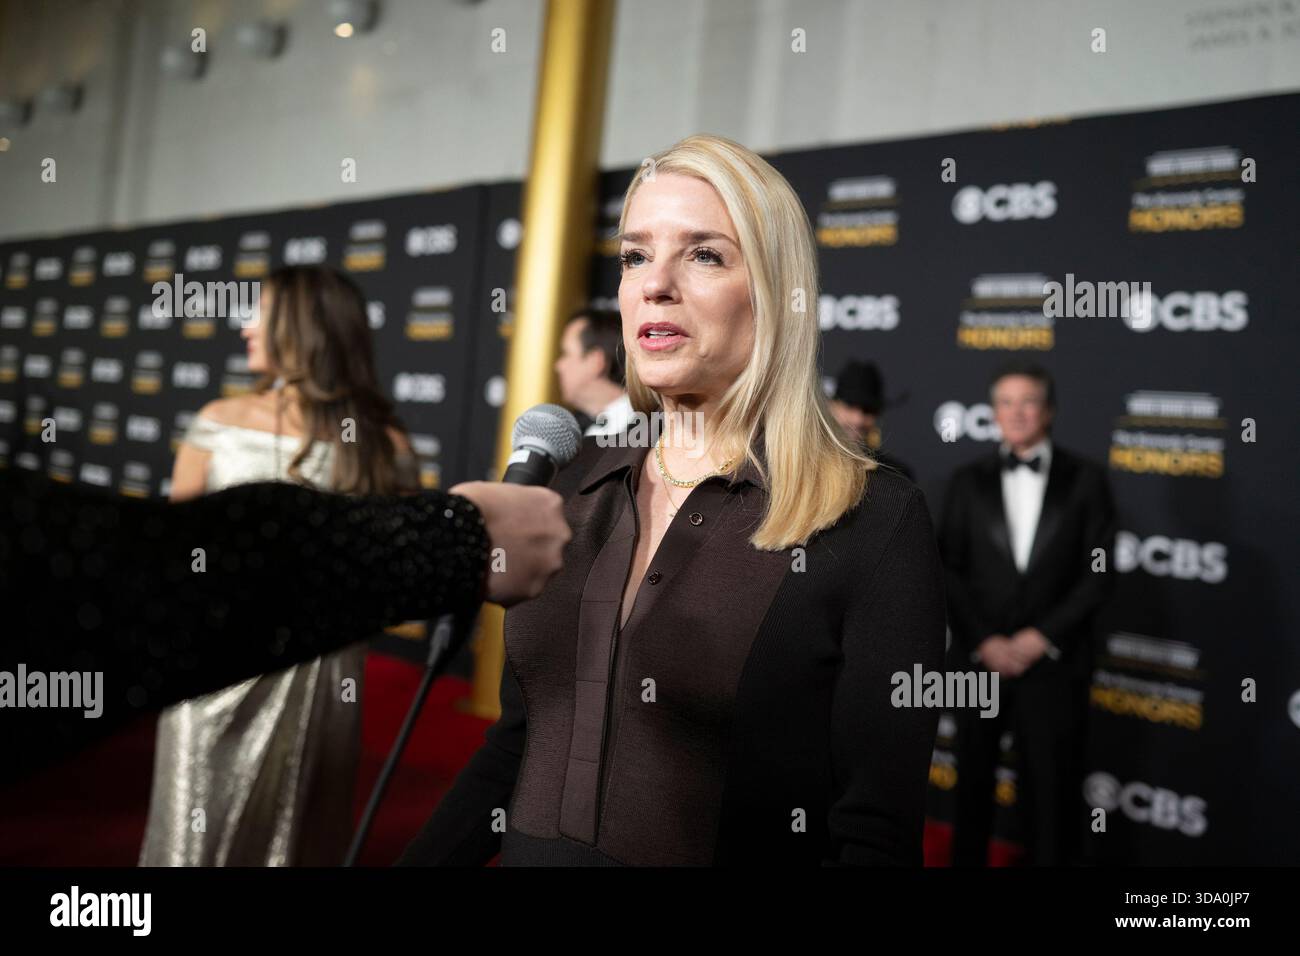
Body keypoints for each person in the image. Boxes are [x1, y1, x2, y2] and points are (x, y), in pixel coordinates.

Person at [398, 134, 946, 867]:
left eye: (704, 254)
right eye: (634, 256)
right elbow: (520, 743)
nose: (654, 284)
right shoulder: (570, 486)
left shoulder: (873, 518)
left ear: (778, 293)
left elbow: (874, 832)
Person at [0, 467, 569, 786]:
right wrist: (450, 538)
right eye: (632, 259)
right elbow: (144, 578)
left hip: (320, 663)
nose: (248, 324)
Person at [139, 265, 409, 866]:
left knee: (299, 836)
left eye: (260, 312)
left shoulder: (381, 445)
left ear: (305, 328)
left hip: (319, 675)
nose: (245, 326)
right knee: (194, 839)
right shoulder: (218, 422)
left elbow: (389, 575)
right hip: (216, 662)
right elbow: (174, 554)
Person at [938, 361, 1116, 866]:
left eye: (1028, 401)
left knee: (1052, 797)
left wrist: (1041, 637)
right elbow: (947, 567)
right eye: (1006, 402)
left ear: (1049, 410)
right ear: (993, 413)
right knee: (970, 790)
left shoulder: (1087, 481)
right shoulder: (964, 481)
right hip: (979, 664)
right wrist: (985, 640)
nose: (1016, 413)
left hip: (1053, 667)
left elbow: (1098, 574)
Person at [554, 307, 633, 438]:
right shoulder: (571, 433)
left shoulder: (649, 429)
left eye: (566, 354)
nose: (559, 366)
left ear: (595, 361)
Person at [828, 359, 914, 480]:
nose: (858, 420)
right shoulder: (805, 464)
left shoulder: (897, 476)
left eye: (868, 410)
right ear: (832, 406)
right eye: (850, 406)